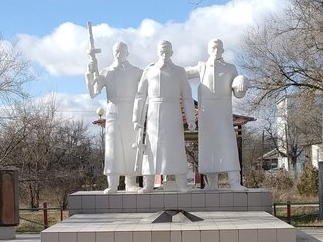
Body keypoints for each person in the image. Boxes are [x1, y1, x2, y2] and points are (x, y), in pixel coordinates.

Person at [132, 40, 195, 192]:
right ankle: (148, 183)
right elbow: (140, 95)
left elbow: (187, 96)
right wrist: (136, 118)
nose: (164, 54)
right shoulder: (149, 70)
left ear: (172, 52)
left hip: (173, 111)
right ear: (157, 52)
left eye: (167, 51)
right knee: (152, 147)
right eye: (161, 51)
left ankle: (181, 182)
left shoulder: (179, 71)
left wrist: (191, 118)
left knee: (176, 145)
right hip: (154, 111)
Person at [186, 38, 249, 190]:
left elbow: (238, 92)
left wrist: (243, 81)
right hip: (206, 111)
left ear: (222, 50)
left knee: (228, 144)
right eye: (213, 48)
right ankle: (211, 183)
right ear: (208, 50)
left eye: (218, 48)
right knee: (208, 145)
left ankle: (235, 182)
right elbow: (183, 73)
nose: (215, 51)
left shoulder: (230, 68)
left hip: (223, 111)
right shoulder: (202, 67)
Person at [87, 41, 144, 193]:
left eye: (122, 51)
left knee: (130, 145)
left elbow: (150, 82)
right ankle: (112, 184)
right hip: (113, 111)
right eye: (116, 51)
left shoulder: (136, 71)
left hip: (131, 112)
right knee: (113, 148)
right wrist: (91, 72)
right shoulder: (107, 72)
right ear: (113, 53)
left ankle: (130, 183)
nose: (119, 54)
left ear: (127, 53)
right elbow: (94, 92)